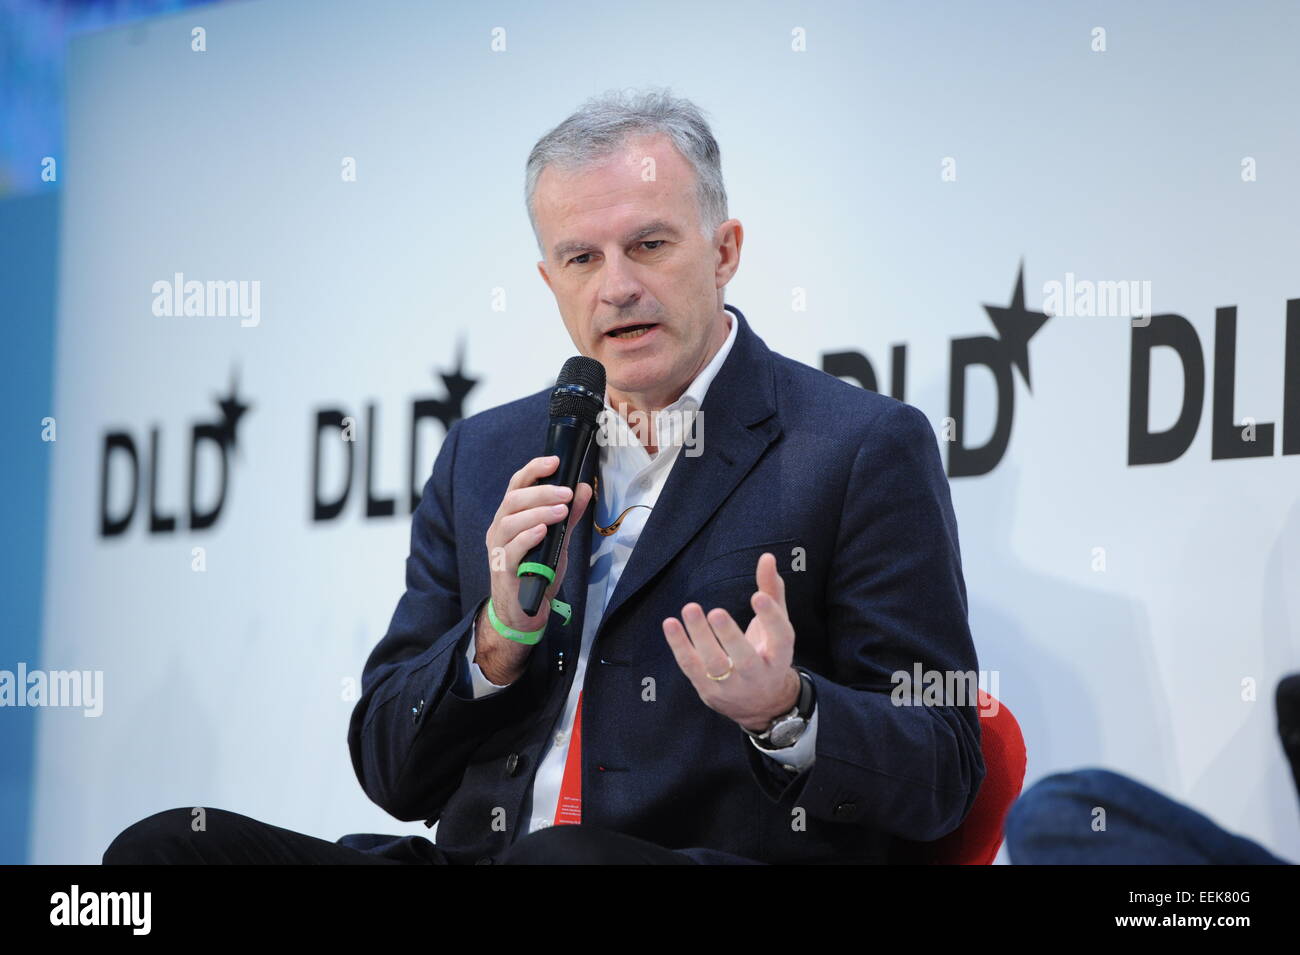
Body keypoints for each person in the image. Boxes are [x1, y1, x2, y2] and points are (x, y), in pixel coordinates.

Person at [104, 88, 984, 865]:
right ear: (548, 279)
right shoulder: (486, 453)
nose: (618, 287)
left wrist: (785, 711)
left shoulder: (856, 445)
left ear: (724, 252)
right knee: (164, 851)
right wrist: (492, 647)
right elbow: (388, 766)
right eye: (582, 259)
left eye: (649, 244)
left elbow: (944, 766)